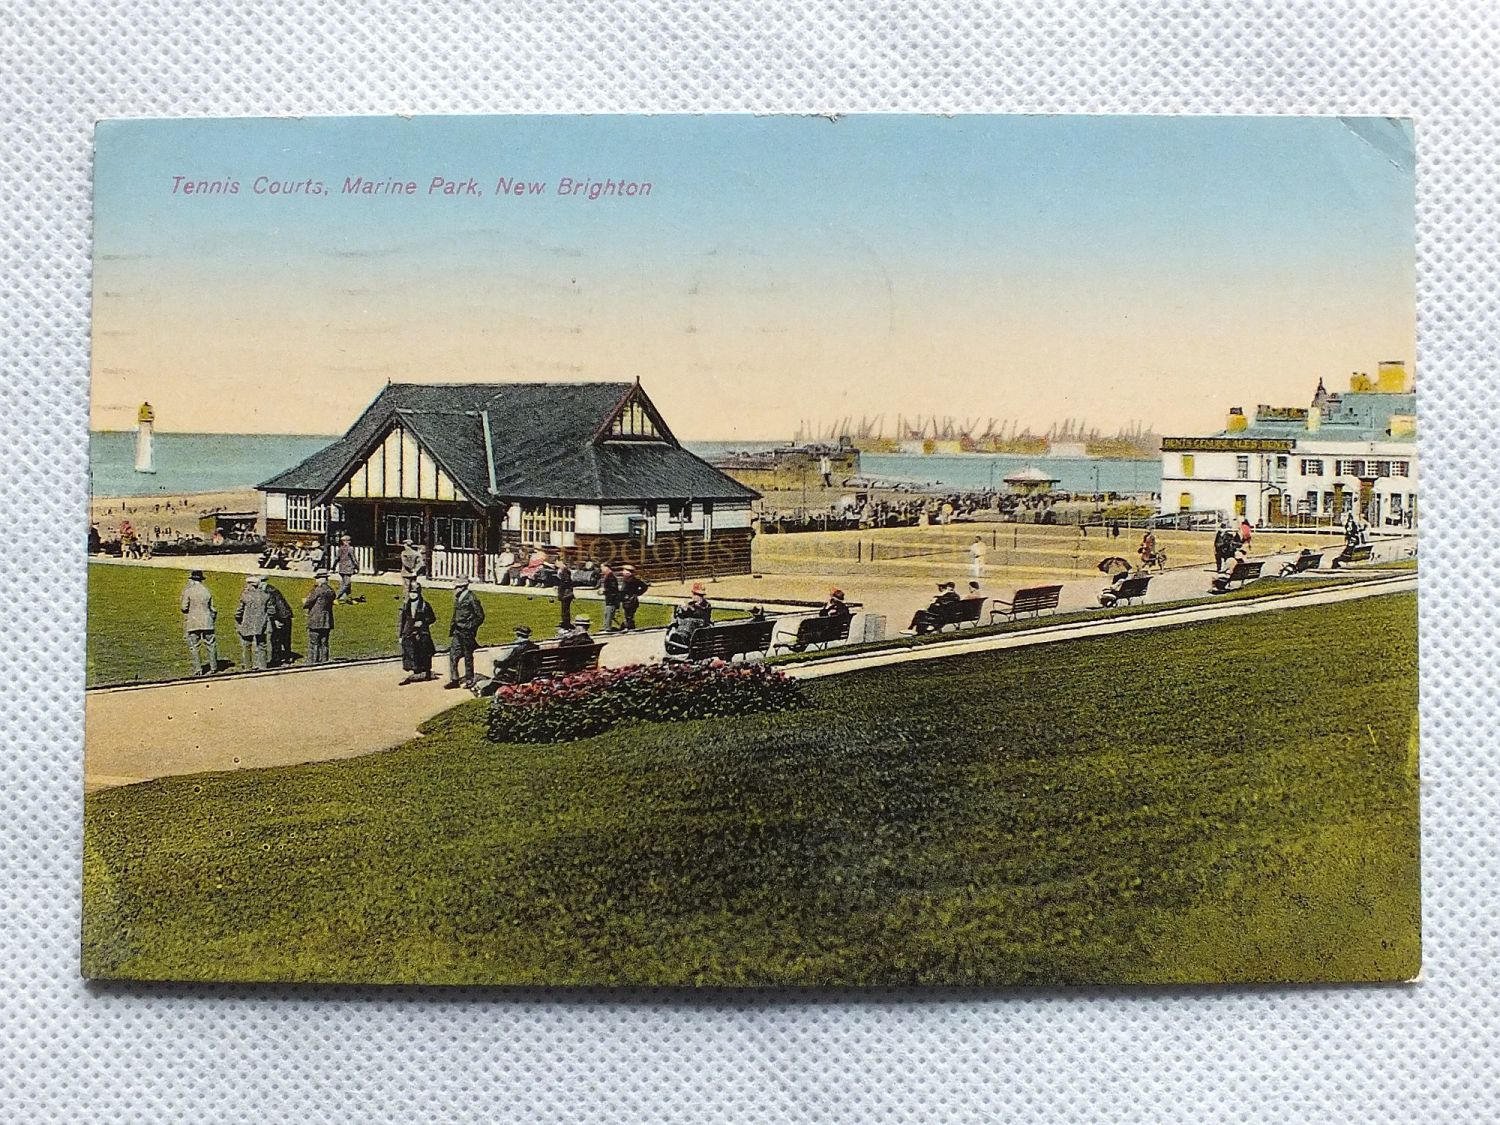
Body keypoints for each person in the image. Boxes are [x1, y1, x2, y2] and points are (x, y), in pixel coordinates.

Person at [445, 574, 486, 690]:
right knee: (453, 654)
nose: (455, 589)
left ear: (463, 586)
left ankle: (469, 679)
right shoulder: (458, 597)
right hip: (457, 631)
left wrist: (470, 626)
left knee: (468, 656)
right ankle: (454, 679)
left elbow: (480, 616)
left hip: (467, 632)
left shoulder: (471, 598)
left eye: (457, 586)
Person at [397, 582, 438, 684]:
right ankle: (416, 669)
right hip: (410, 631)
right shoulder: (407, 605)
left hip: (422, 631)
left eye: (415, 592)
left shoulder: (425, 605)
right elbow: (402, 621)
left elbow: (432, 618)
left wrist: (423, 621)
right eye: (411, 592)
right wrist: (401, 634)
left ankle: (426, 671)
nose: (413, 595)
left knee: (424, 650)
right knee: (412, 650)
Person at [180, 569, 218, 676]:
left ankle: (198, 669)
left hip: (193, 621)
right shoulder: (207, 591)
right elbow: (212, 608)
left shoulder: (188, 591)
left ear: (192, 580)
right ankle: (213, 667)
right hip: (207, 621)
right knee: (211, 645)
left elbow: (184, 607)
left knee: (195, 646)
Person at [234, 574, 270, 671]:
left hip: (248, 623)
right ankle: (263, 666)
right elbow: (271, 610)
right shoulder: (265, 596)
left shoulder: (245, 596)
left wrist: (238, 619)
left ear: (250, 584)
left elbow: (239, 611)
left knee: (247, 645)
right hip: (261, 623)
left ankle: (248, 666)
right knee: (261, 645)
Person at [302, 569, 335, 665]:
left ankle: (313, 660)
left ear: (321, 579)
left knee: (314, 642)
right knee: (324, 642)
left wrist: (305, 602)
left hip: (315, 618)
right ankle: (324, 659)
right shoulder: (331, 591)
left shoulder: (317, 590)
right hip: (327, 619)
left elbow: (309, 602)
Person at [262, 576, 294, 666]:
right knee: (285, 639)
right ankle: (287, 657)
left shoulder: (269, 591)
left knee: (276, 639)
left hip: (281, 617)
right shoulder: (272, 589)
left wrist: (276, 619)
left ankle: (277, 660)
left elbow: (274, 607)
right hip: (285, 616)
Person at [620, 565, 649, 631]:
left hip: (629, 600)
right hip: (633, 599)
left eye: (624, 570)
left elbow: (623, 590)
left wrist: (637, 593)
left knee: (628, 614)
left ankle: (628, 627)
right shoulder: (634, 579)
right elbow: (644, 586)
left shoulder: (628, 580)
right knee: (629, 614)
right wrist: (638, 593)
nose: (623, 572)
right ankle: (629, 626)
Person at [333, 533, 358, 602]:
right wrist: (356, 566)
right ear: (346, 541)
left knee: (346, 584)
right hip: (348, 568)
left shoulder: (340, 549)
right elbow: (353, 558)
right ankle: (336, 597)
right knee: (347, 584)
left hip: (341, 568)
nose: (350, 542)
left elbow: (336, 559)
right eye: (349, 540)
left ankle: (349, 598)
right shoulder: (350, 549)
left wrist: (333, 567)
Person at [555, 555, 575, 629]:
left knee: (565, 609)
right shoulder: (562, 570)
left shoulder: (565, 570)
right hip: (564, 592)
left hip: (566, 593)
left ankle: (566, 623)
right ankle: (565, 622)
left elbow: (566, 582)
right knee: (564, 609)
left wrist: (560, 586)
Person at [600, 564, 621, 632]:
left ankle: (608, 628)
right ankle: (606, 626)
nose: (602, 570)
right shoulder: (608, 576)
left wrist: (604, 591)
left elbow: (613, 589)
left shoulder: (611, 577)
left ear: (607, 568)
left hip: (612, 599)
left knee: (609, 613)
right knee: (607, 613)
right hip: (609, 598)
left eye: (602, 568)